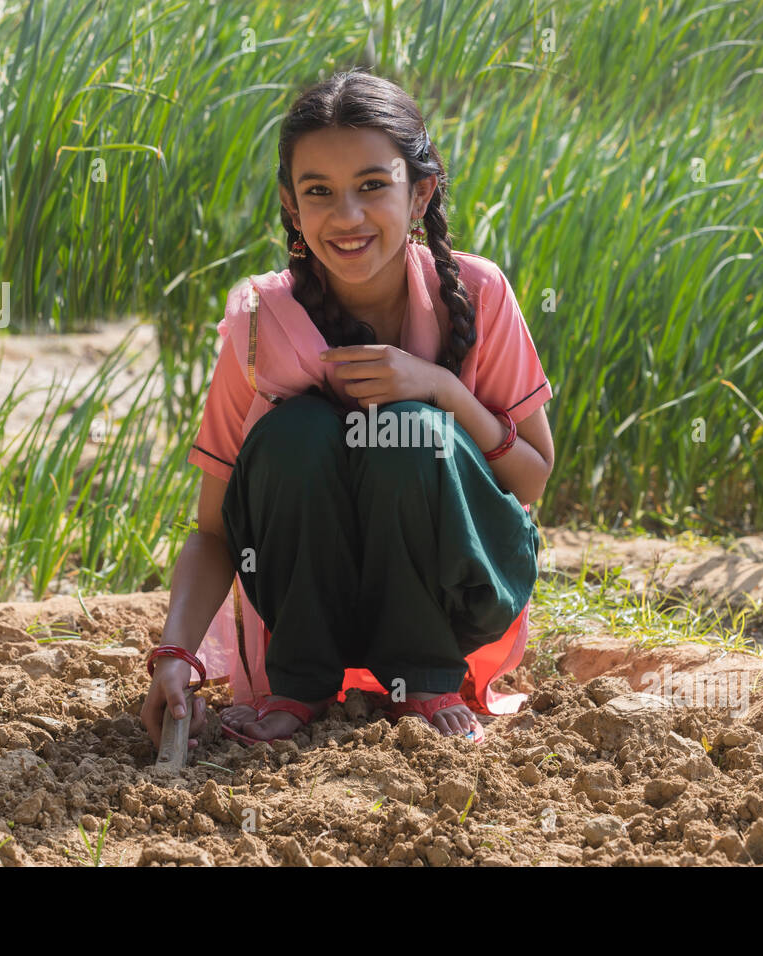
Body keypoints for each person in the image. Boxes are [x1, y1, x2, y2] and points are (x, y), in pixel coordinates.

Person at [141, 69, 554, 751]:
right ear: (290, 207)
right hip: (306, 604)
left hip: (456, 594)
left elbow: (533, 479)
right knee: (296, 436)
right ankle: (299, 684)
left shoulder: (478, 293)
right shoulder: (259, 320)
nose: (348, 216)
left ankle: (423, 678)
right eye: (318, 192)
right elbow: (215, 530)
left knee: (409, 433)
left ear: (419, 192)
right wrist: (175, 653)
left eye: (372, 186)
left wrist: (439, 389)